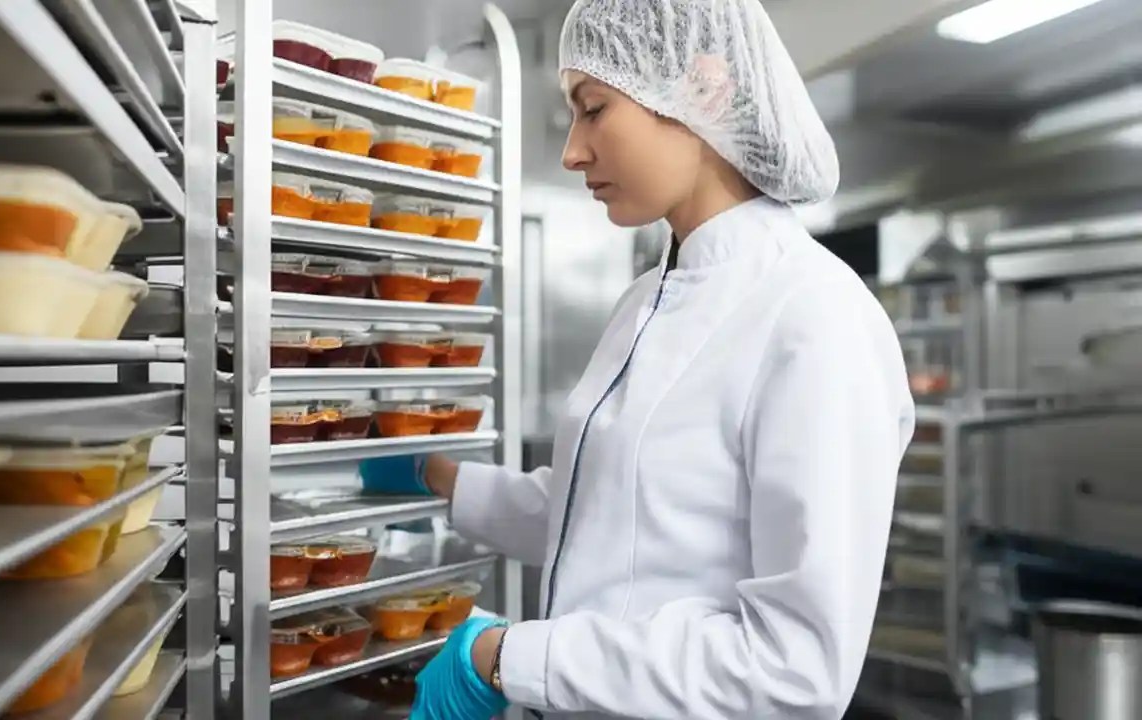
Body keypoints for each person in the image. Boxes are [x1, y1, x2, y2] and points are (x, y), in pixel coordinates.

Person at [363, 0, 915, 717]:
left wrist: (505, 658)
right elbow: (609, 512)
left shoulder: (816, 319)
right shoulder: (646, 302)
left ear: (704, 90)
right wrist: (444, 480)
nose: (572, 151)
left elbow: (795, 672)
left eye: (593, 109)